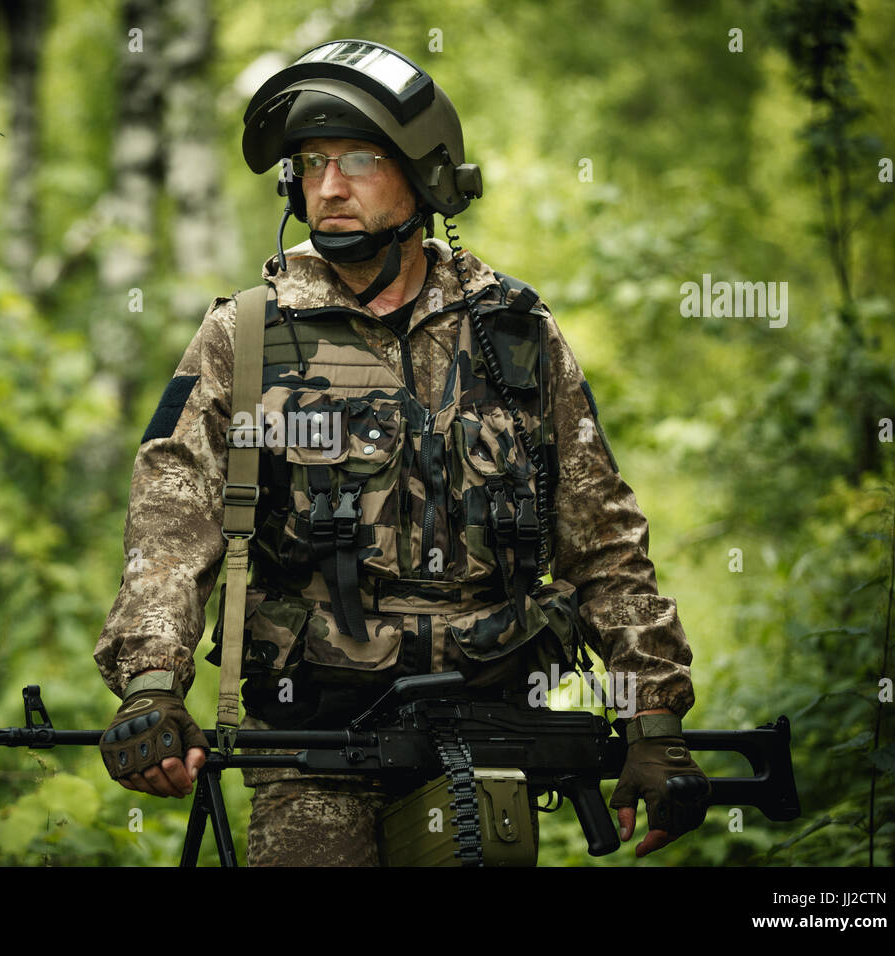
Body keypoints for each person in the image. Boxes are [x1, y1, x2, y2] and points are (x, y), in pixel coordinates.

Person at [94, 39, 709, 866]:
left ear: (423, 176)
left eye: (357, 159)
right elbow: (173, 521)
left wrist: (654, 720)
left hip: (490, 722)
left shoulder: (515, 334)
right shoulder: (246, 336)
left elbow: (601, 537)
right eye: (310, 165)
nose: (329, 187)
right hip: (313, 732)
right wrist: (152, 684)